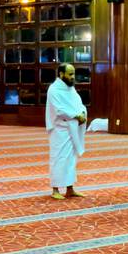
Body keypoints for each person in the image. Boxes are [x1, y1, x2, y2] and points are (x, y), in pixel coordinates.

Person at [45, 62, 87, 199]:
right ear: (61, 74)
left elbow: (78, 103)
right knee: (59, 158)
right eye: (70, 74)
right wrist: (76, 115)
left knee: (70, 159)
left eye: (74, 74)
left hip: (72, 129)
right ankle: (55, 190)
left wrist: (82, 113)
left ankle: (70, 188)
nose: (73, 77)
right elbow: (59, 110)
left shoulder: (70, 89)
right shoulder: (54, 90)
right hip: (59, 130)